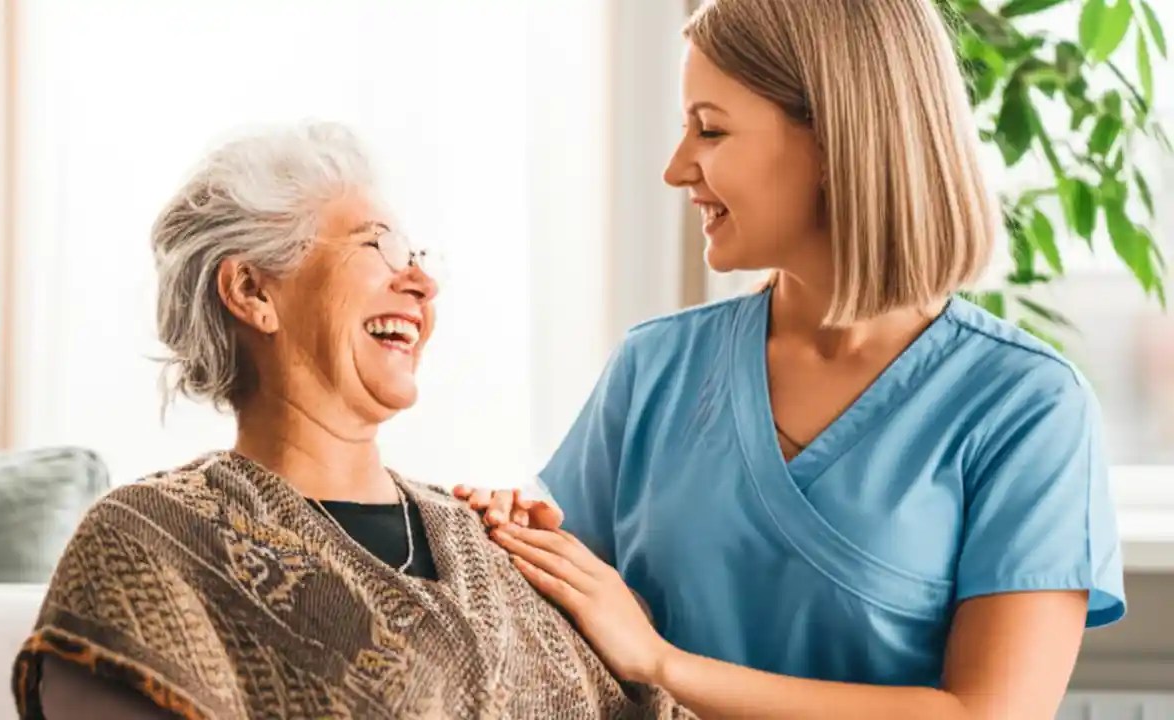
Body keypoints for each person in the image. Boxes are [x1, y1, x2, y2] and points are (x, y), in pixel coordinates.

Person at [461, 1, 1126, 718]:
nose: (675, 167)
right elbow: (563, 634)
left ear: (837, 143)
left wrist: (664, 664)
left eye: (710, 129)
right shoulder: (653, 368)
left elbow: (987, 714)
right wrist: (505, 541)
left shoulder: (1027, 407)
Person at [11, 122, 691, 720]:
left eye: (420, 260)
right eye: (378, 249)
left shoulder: (495, 543)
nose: (422, 284)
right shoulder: (147, 541)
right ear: (252, 291)